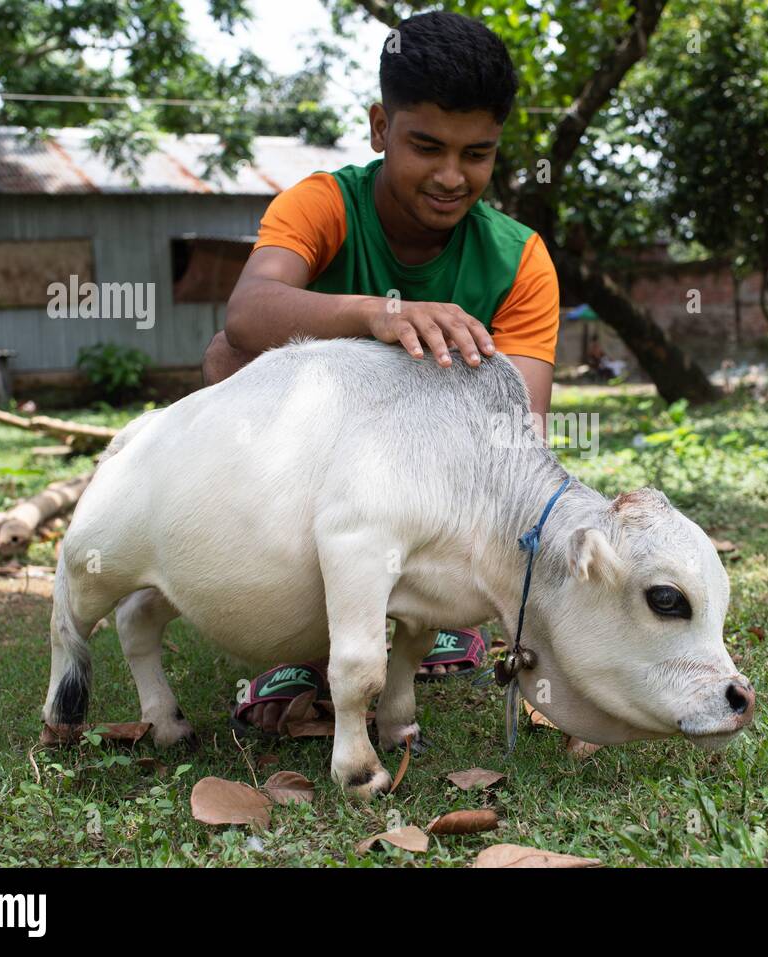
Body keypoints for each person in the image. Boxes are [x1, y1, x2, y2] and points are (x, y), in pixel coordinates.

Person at [202, 11, 560, 738]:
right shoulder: (323, 204)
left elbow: (518, 430)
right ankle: (295, 641)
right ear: (379, 128)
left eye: (478, 153)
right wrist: (377, 313)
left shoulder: (520, 258)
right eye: (426, 146)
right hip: (310, 466)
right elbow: (246, 311)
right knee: (224, 360)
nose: (452, 177)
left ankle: (440, 611)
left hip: (432, 483)